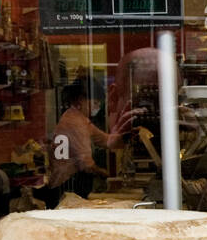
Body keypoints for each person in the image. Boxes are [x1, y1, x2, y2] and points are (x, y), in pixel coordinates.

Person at [41, 77, 136, 207]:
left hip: (72, 184)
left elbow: (106, 140)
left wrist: (126, 137)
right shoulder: (75, 123)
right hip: (68, 186)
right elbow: (86, 165)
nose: (97, 107)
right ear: (81, 100)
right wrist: (104, 173)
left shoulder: (79, 118)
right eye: (95, 102)